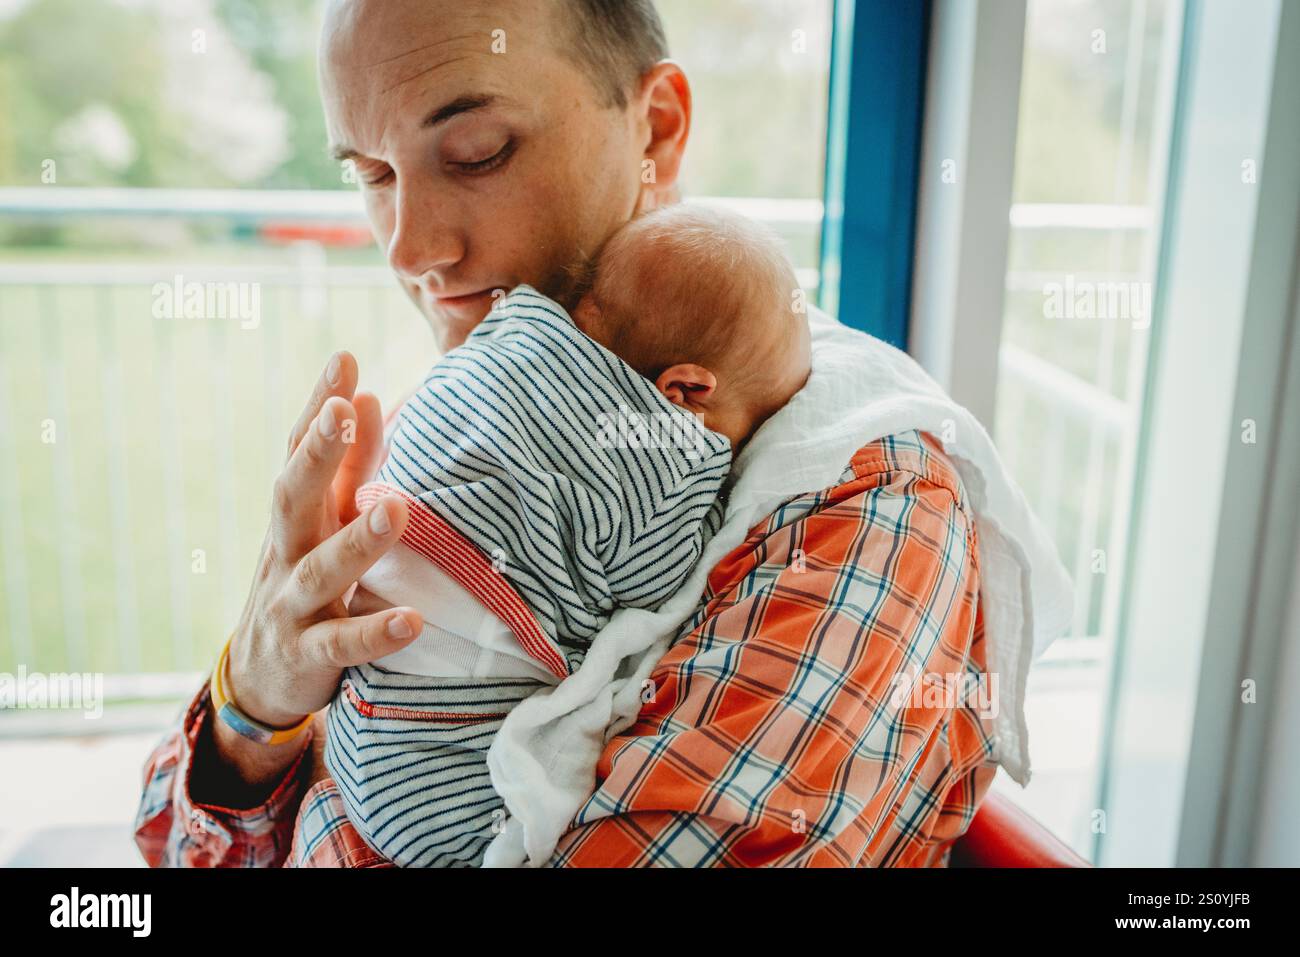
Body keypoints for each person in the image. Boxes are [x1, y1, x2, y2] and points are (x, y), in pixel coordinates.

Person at [135, 0, 1003, 867]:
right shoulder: (482, 422)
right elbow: (162, 852)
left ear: (656, 129)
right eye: (373, 174)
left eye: (477, 152)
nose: (407, 249)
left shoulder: (864, 499)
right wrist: (252, 711)